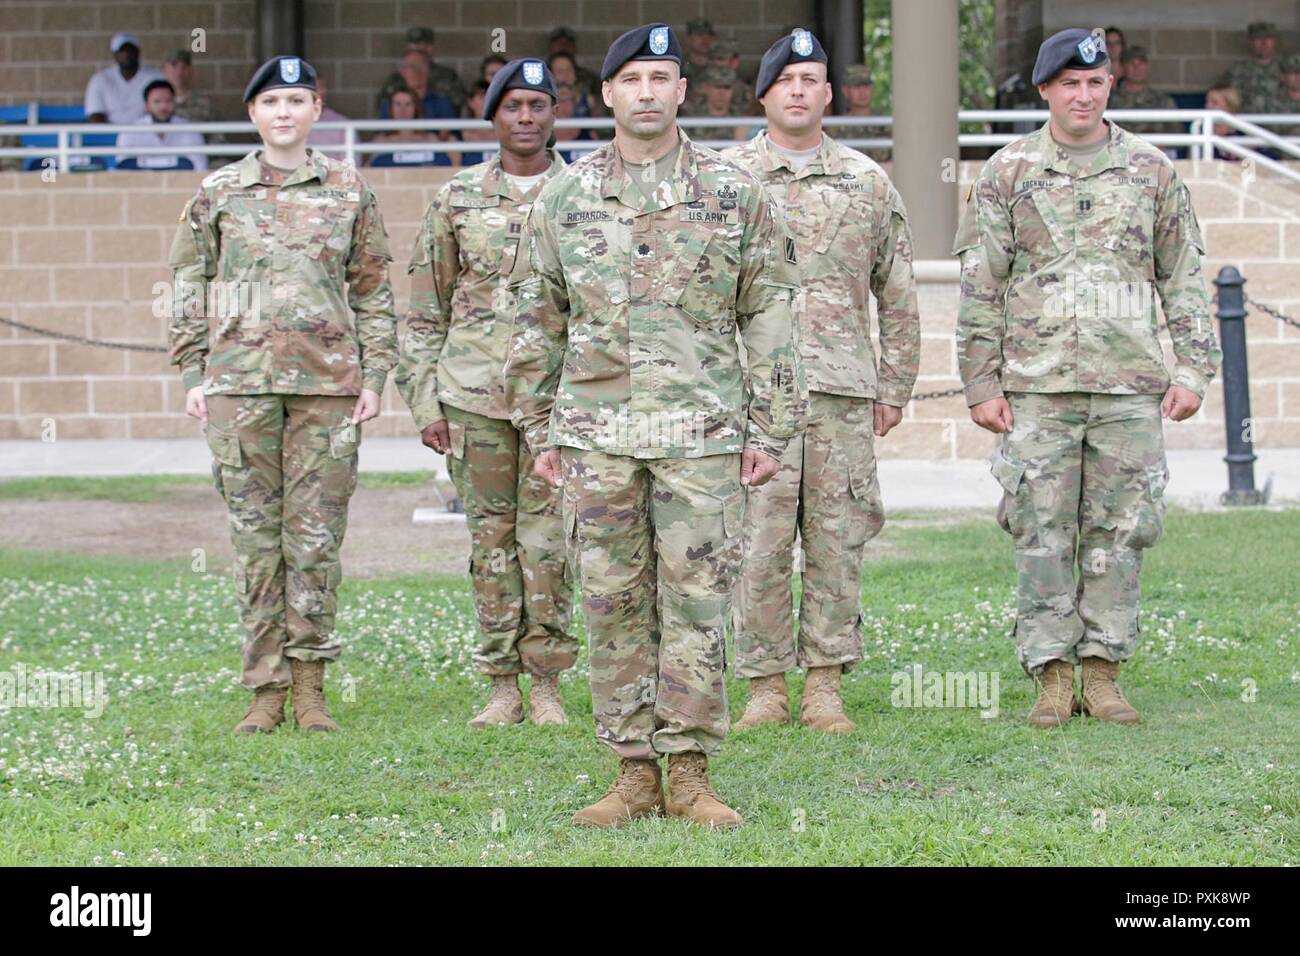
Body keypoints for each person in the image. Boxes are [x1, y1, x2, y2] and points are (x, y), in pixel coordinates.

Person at [503, 23, 804, 830]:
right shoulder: (564, 197)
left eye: (660, 78)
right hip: (597, 439)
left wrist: (770, 430)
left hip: (701, 438)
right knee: (609, 601)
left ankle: (692, 772)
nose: (645, 92)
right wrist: (540, 432)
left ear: (681, 91)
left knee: (699, 600)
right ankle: (632, 770)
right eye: (630, 78)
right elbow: (536, 317)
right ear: (605, 94)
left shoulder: (734, 193)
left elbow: (771, 311)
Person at [952, 28, 1221, 729]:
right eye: (1069, 82)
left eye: (1094, 83)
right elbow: (983, 285)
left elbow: (1182, 275)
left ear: (1110, 87)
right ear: (1045, 90)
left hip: (1128, 385)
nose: (1082, 94)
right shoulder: (1006, 172)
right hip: (1037, 386)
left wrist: (1193, 367)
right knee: (1040, 529)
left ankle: (1103, 671)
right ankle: (1051, 671)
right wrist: (980, 382)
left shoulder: (1152, 170)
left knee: (1121, 531)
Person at [168, 56, 398, 735]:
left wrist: (377, 377)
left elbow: (375, 291)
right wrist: (191, 374)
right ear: (253, 115)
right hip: (239, 387)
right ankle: (265, 689)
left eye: (298, 100)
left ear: (317, 111)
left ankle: (311, 686)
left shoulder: (349, 190)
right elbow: (188, 286)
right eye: (272, 101)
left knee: (316, 539)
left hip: (327, 389)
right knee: (255, 543)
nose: (285, 112)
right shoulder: (217, 192)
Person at [724, 30, 919, 733]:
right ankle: (765, 687)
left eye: (812, 78)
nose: (800, 90)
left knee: (837, 542)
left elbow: (896, 292)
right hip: (754, 397)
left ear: (828, 93)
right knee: (759, 543)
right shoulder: (726, 181)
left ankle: (826, 686)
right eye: (787, 80)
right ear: (765, 94)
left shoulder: (867, 182)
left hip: (839, 394)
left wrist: (895, 386)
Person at [396, 59, 573, 729]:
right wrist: (424, 402)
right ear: (492, 116)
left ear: (556, 113)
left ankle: (548, 682)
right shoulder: (458, 199)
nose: (525, 116)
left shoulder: (584, 194)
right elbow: (424, 310)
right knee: (492, 546)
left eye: (537, 104)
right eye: (513, 105)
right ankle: (501, 683)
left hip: (562, 406)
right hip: (474, 399)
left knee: (549, 546)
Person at [116, 79, 208, 169]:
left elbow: (199, 168)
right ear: (147, 106)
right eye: (157, 101)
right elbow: (122, 169)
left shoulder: (190, 130)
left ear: (174, 103)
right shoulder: (130, 131)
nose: (163, 107)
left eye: (168, 101)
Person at [84, 32, 164, 124]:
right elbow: (95, 114)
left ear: (138, 51)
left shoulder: (155, 76)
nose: (127, 54)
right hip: (110, 135)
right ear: (114, 54)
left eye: (130, 50)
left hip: (146, 132)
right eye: (122, 51)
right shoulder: (100, 79)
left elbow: (161, 110)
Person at [1108, 47, 1178, 140]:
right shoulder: (1109, 100)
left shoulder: (1163, 100)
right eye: (1131, 63)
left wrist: (1164, 143)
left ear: (1147, 66)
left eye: (1141, 63)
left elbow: (1177, 132)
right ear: (1123, 67)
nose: (1137, 67)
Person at [825, 64, 891, 162]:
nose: (862, 91)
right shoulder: (835, 129)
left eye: (866, 86)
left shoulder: (886, 126)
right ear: (845, 91)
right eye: (856, 86)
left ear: (872, 88)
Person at [370, 85, 445, 166]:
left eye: (408, 104)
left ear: (415, 108)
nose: (403, 110)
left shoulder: (431, 139)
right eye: (398, 104)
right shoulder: (380, 141)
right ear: (391, 108)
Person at [1220, 21, 1283, 113]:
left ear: (1274, 41)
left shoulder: (1289, 70)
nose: (1264, 43)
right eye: (1258, 38)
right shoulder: (1236, 71)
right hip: (1247, 123)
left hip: (1283, 123)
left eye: (1268, 38)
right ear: (1250, 42)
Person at [162, 49, 216, 125]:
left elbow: (216, 134)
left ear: (191, 71)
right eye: (174, 66)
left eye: (184, 67)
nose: (179, 72)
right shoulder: (157, 102)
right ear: (164, 70)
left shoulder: (204, 102)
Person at [305, 75, 351, 153]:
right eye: (317, 88)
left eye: (323, 87)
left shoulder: (342, 124)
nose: (323, 91)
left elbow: (352, 160)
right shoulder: (291, 123)